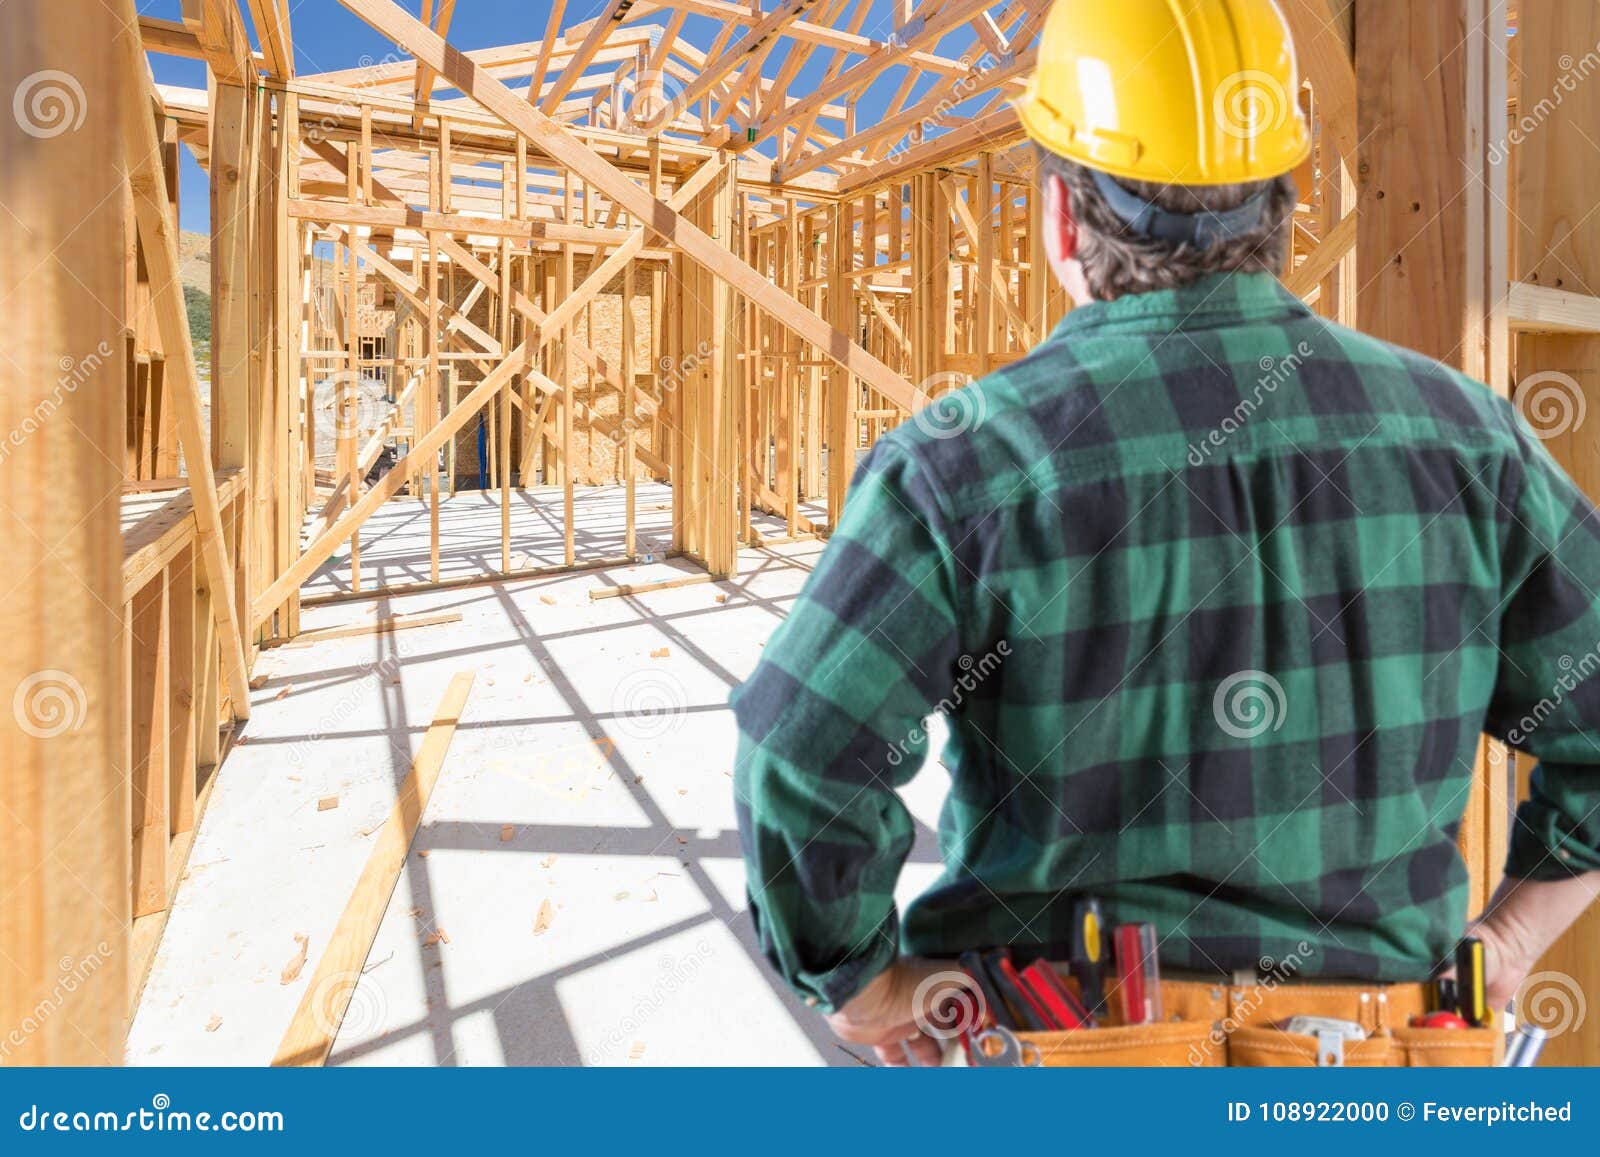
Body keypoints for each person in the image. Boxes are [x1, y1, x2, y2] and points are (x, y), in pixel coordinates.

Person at [732, 0, 1600, 1066]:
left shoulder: (962, 461)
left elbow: (801, 746)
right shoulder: (1471, 443)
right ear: (1283, 203)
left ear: (1062, 217)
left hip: (1071, 1063)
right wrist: (1508, 938)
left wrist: (860, 978)